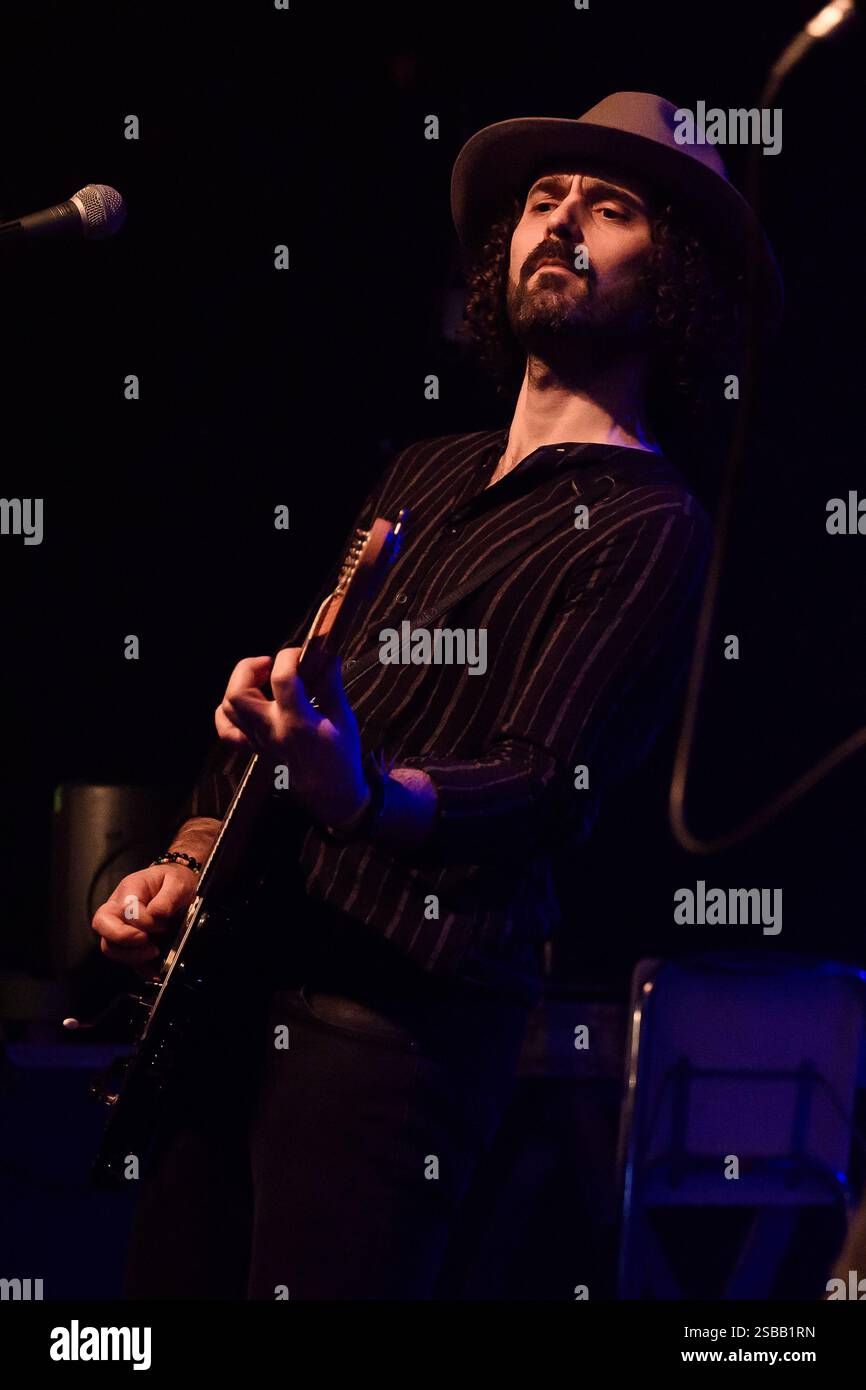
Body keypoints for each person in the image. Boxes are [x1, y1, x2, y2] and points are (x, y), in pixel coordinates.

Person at [91, 92, 781, 1300]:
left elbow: (537, 782)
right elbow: (297, 702)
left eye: (607, 208)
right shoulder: (424, 470)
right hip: (240, 977)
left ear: (671, 279)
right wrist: (193, 855)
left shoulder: (647, 524)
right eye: (541, 200)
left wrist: (359, 791)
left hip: (388, 1029)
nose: (558, 222)